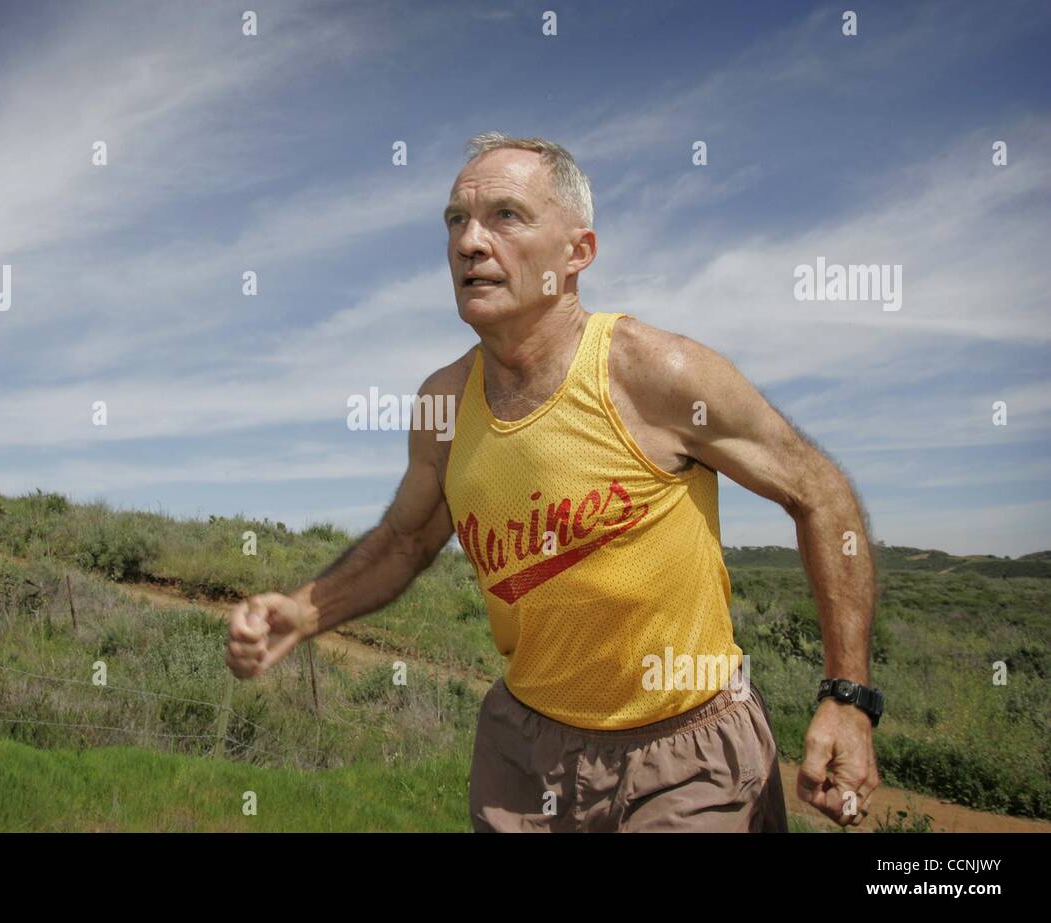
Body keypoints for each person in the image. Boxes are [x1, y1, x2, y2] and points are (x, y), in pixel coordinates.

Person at [226, 132, 881, 832]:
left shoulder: (656, 373)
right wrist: (306, 609)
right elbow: (407, 538)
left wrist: (847, 695)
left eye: (506, 216)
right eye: (455, 220)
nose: (469, 242)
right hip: (523, 756)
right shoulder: (444, 404)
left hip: (684, 752)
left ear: (577, 253)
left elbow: (821, 492)